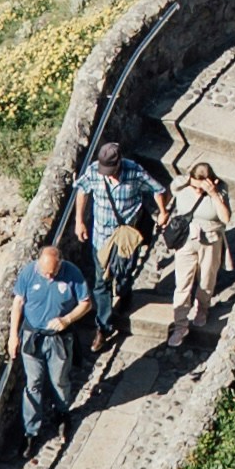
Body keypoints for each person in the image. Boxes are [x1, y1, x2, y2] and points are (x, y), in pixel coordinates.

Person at [9, 221, 96, 451]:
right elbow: (18, 303)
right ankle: (31, 431)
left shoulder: (72, 274)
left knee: (59, 380)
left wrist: (66, 320)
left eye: (53, 272)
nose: (49, 276)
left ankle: (62, 415)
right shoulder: (29, 272)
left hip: (59, 338)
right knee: (33, 383)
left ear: (60, 265)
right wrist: (12, 336)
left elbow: (85, 303)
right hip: (32, 336)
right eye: (46, 272)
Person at [75, 131, 164, 337]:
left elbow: (158, 189)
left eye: (111, 170)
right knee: (101, 282)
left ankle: (125, 293)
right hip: (101, 238)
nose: (108, 174)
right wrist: (79, 221)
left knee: (124, 273)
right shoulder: (93, 172)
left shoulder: (134, 172)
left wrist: (163, 212)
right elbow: (82, 190)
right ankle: (103, 327)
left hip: (126, 239)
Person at [159, 150, 235, 330]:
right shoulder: (182, 184)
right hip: (186, 240)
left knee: (207, 279)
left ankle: (202, 308)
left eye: (202, 187)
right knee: (183, 282)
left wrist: (214, 194)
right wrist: (163, 212)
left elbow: (225, 218)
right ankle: (180, 322)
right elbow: (167, 192)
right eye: (195, 186)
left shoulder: (220, 190)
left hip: (210, 241)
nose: (198, 190)